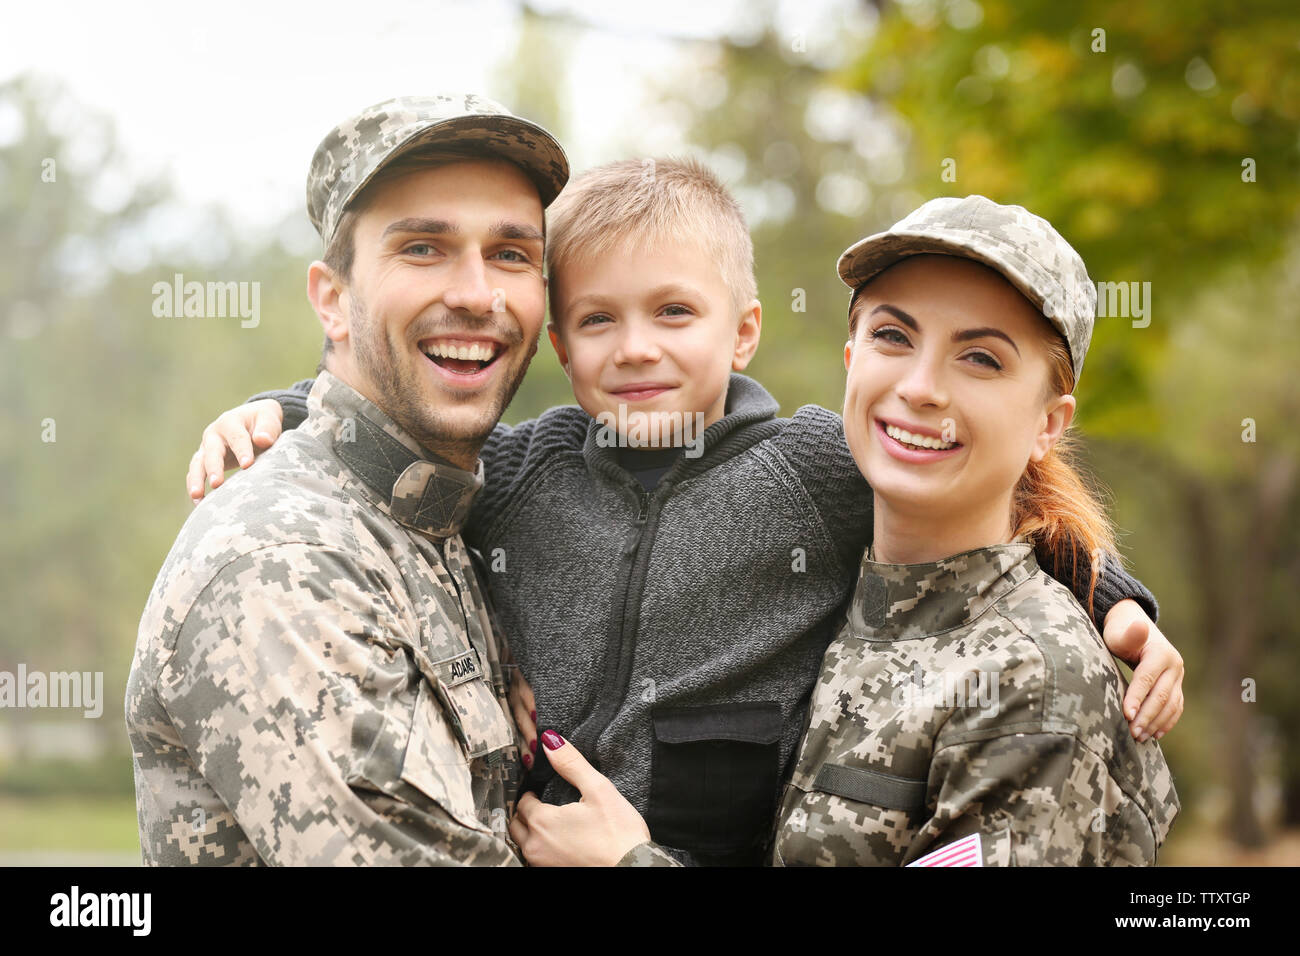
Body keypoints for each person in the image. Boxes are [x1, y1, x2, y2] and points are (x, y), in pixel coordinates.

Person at [187, 165, 1184, 866]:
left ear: (743, 329)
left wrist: (1117, 602)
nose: (634, 348)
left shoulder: (818, 463)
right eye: (595, 320)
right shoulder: (523, 467)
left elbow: (1006, 514)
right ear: (559, 347)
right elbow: (396, 428)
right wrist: (283, 410)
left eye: (673, 313)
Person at [509, 196, 1180, 866]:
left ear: (1050, 424)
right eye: (895, 335)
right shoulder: (861, 594)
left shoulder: (1034, 683)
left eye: (980, 358)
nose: (921, 388)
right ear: (852, 356)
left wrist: (626, 863)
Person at [124, 94, 568, 865]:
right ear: (332, 300)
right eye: (423, 248)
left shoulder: (445, 520)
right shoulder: (283, 561)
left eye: (511, 253)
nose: (475, 293)